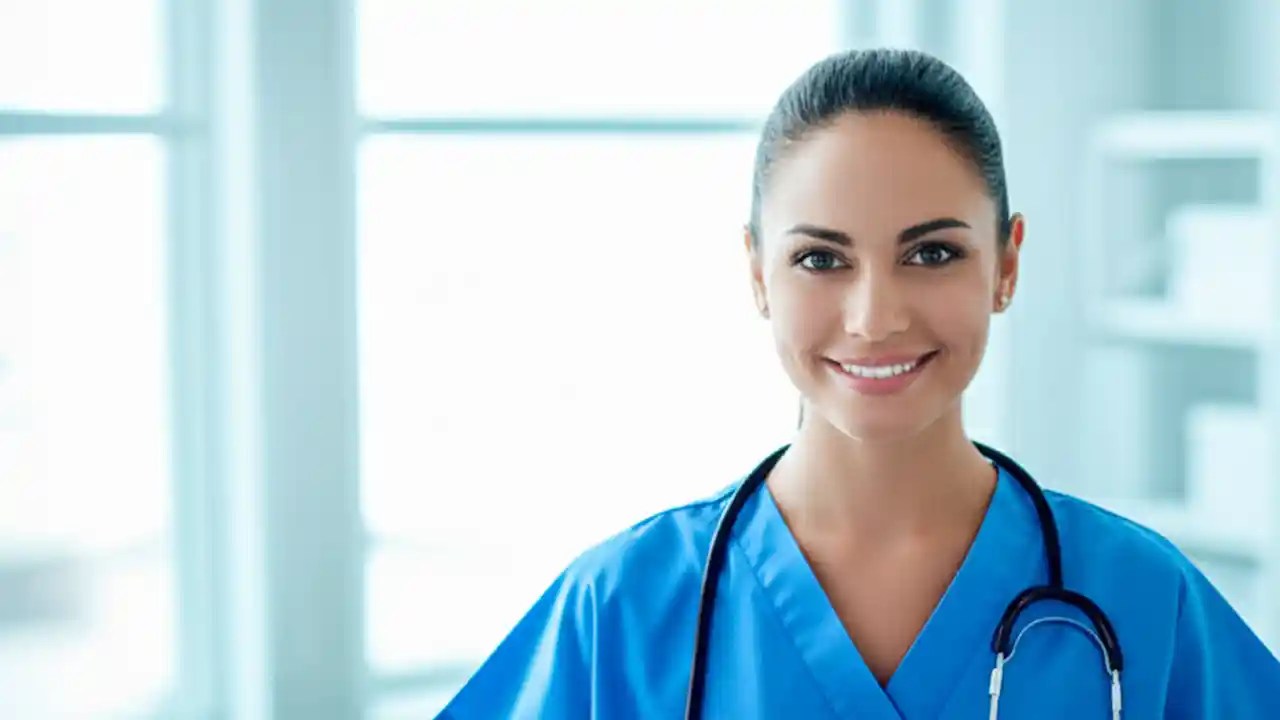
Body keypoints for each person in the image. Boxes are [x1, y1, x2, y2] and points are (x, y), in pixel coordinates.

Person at [435, 48, 1280, 718]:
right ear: (757, 274)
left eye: (932, 253)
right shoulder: (621, 609)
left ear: (1007, 264)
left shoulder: (1141, 597)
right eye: (820, 259)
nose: (874, 318)